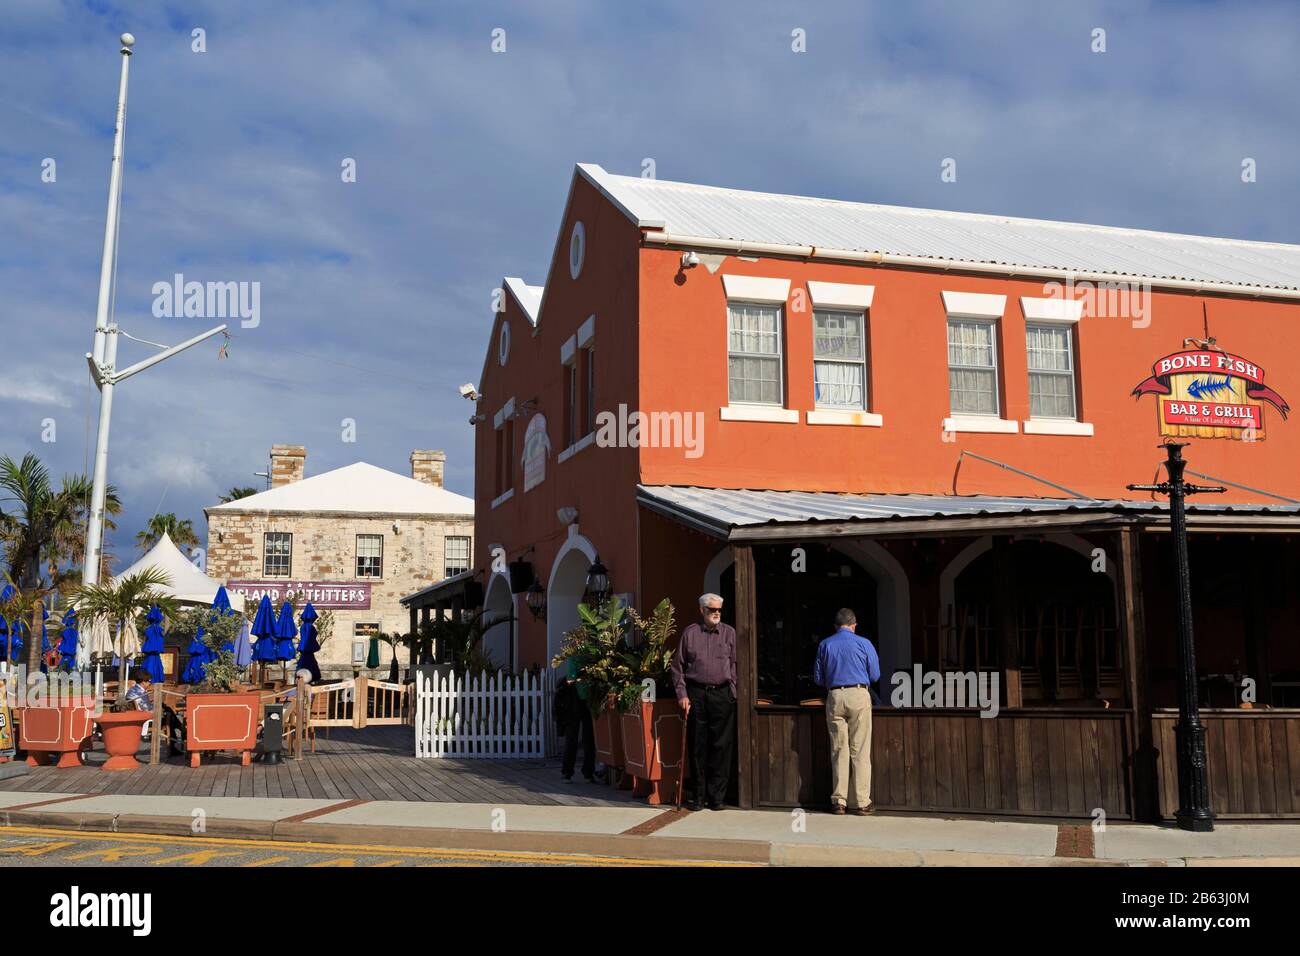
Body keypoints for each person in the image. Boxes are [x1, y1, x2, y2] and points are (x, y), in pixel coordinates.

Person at [670, 593, 737, 811]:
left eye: (719, 610)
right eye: (712, 610)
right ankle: (698, 797)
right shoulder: (690, 633)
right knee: (698, 746)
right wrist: (682, 695)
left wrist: (733, 691)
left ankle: (716, 797)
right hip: (696, 693)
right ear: (702, 610)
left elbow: (735, 664)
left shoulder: (729, 633)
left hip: (722, 694)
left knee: (721, 747)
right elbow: (677, 667)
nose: (716, 613)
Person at [813, 608, 881, 815]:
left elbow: (818, 678)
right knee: (859, 750)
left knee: (838, 750)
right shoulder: (864, 643)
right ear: (854, 625)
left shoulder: (825, 644)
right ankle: (862, 802)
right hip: (859, 694)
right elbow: (875, 675)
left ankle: (839, 801)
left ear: (836, 626)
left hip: (835, 695)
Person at [559, 654, 596, 783]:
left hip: (575, 699)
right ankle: (587, 772)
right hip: (587, 698)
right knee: (588, 737)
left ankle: (567, 772)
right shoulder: (592, 651)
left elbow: (570, 678)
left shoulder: (573, 654)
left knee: (573, 736)